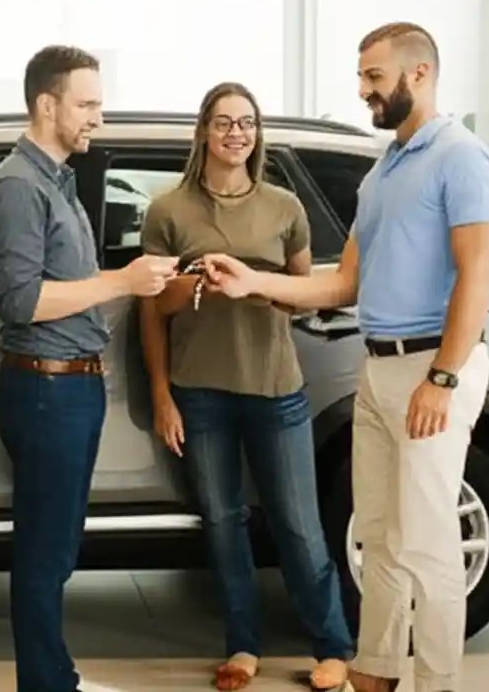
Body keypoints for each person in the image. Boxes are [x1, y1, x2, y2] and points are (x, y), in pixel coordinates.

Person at [201, 22, 489, 692]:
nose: (363, 89)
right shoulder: (384, 170)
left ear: (418, 73)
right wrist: (254, 281)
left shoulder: (461, 157)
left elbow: (477, 275)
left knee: (426, 542)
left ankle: (438, 682)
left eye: (373, 76)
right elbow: (342, 285)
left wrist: (442, 380)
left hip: (434, 366)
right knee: (377, 534)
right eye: (362, 76)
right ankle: (377, 668)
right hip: (380, 365)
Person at [137, 81, 354, 691]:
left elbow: (300, 301)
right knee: (223, 522)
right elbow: (153, 311)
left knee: (299, 525)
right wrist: (161, 394)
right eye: (226, 122)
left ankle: (333, 645)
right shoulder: (168, 211)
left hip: (276, 390)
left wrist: (250, 283)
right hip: (198, 393)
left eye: (248, 123)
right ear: (204, 130)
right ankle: (243, 646)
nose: (238, 133)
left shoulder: (284, 207)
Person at [0, 44, 180, 692]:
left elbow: (63, 282)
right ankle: (45, 684)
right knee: (43, 554)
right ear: (47, 104)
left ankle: (54, 673)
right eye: (88, 103)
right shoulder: (17, 184)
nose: (99, 115)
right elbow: (19, 299)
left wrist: (143, 282)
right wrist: (120, 280)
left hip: (69, 386)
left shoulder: (58, 179)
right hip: (45, 388)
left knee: (58, 548)